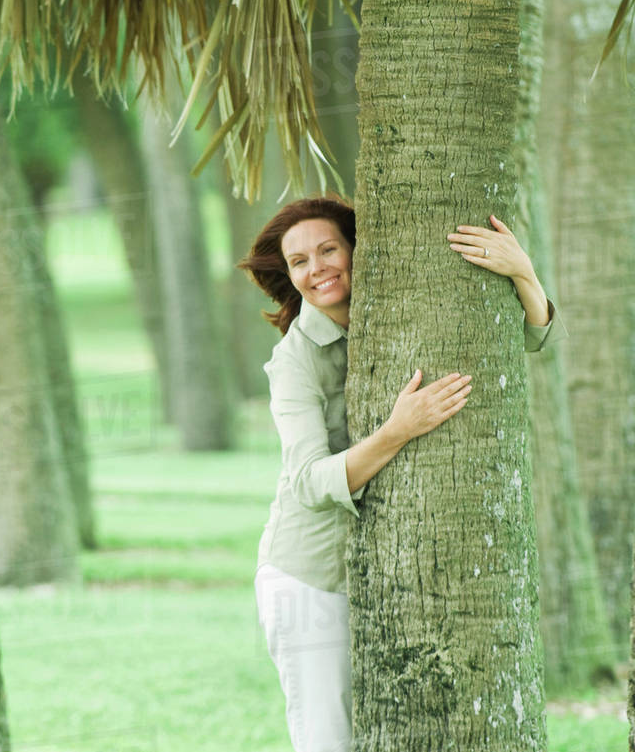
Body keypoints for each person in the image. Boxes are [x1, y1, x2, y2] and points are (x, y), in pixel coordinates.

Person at [236, 197, 565, 752]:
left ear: (358, 249)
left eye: (327, 249)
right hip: (311, 578)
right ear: (288, 277)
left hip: (388, 569)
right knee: (329, 740)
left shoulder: (395, 312)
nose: (316, 268)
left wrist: (522, 271)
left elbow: (527, 339)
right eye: (298, 262)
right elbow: (310, 484)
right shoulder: (294, 360)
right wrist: (398, 429)